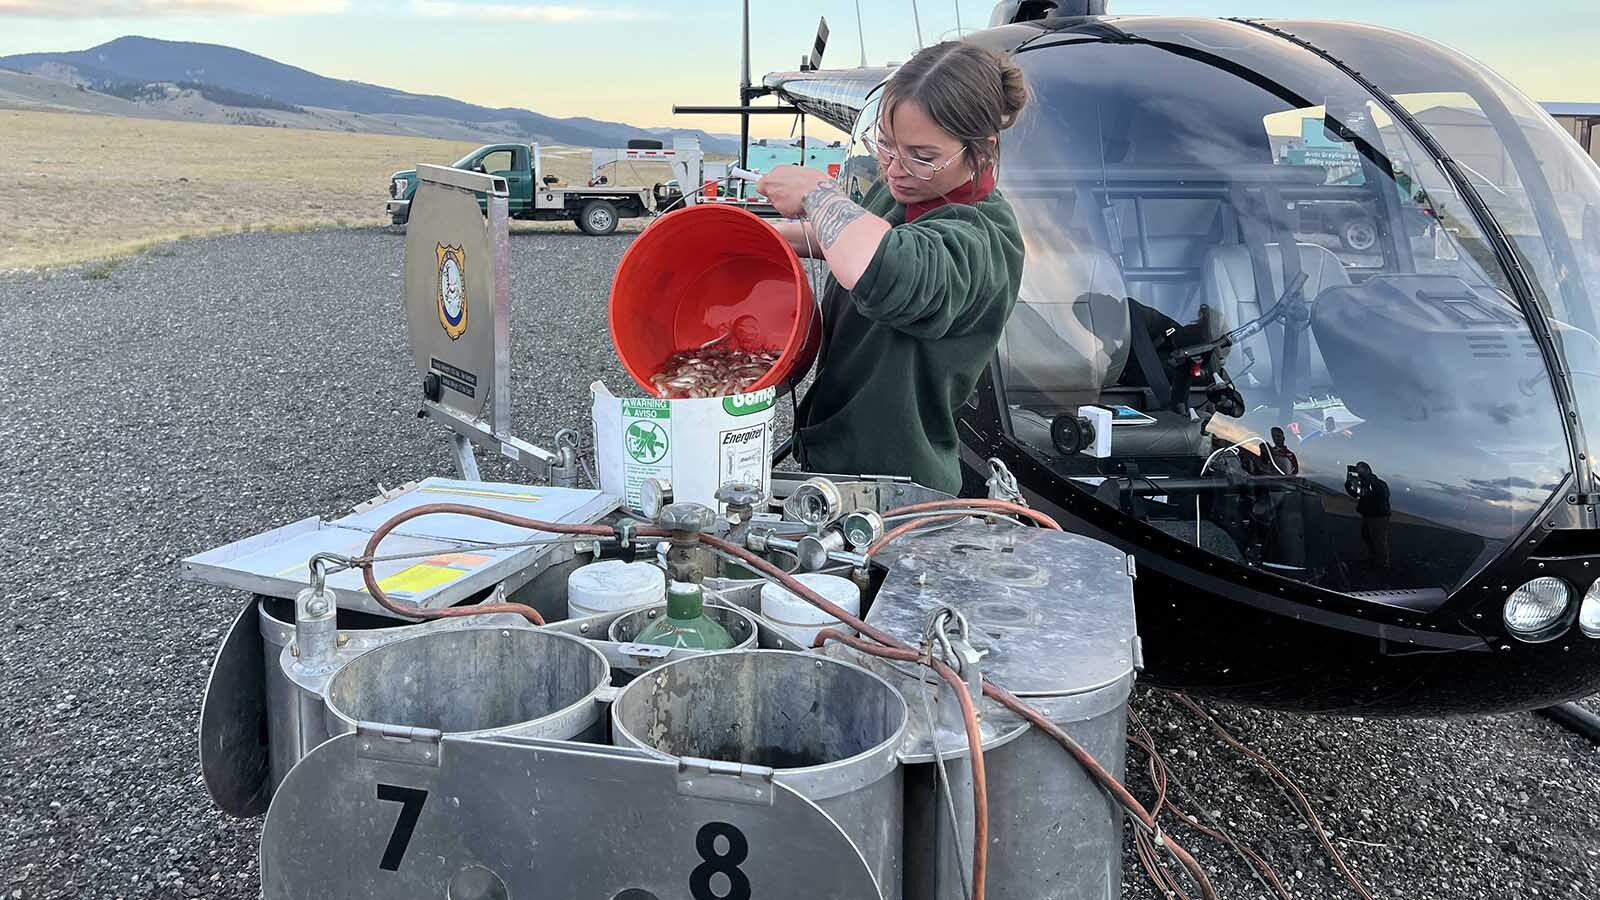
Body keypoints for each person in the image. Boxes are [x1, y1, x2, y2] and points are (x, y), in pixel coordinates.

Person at [754, 41, 1029, 495]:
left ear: (981, 150)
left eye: (922, 156)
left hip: (894, 485)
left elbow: (886, 267)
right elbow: (850, 236)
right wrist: (747, 238)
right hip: (831, 458)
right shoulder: (907, 191)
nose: (895, 169)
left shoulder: (982, 239)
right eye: (886, 144)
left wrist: (817, 195)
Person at [1346, 461, 1392, 569]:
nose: (1359, 472)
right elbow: (1357, 494)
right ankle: (1374, 557)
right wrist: (1349, 484)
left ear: (1368, 470)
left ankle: (1383, 564)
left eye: (1361, 469)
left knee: (1379, 540)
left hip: (1380, 516)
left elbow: (1382, 494)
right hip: (1368, 515)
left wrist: (1367, 481)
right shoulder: (1364, 484)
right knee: (1367, 536)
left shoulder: (1378, 483)